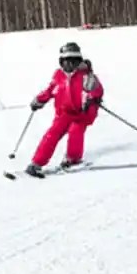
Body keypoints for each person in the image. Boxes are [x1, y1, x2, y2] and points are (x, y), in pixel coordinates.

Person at [25, 42, 103, 176]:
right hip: (64, 113)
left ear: (79, 60)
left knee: (75, 131)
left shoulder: (86, 76)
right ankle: (37, 163)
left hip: (82, 113)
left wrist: (92, 98)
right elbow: (51, 90)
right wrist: (39, 100)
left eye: (73, 61)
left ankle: (73, 159)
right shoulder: (59, 76)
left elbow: (97, 89)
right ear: (61, 62)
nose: (70, 65)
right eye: (66, 62)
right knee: (52, 134)